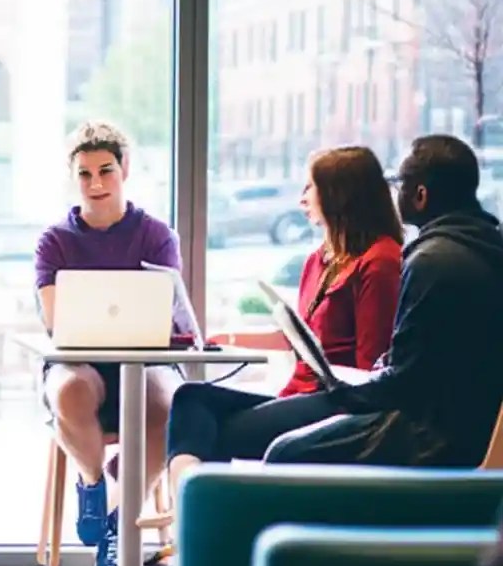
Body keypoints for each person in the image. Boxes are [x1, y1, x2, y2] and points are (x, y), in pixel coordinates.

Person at [165, 146, 403, 493]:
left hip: (339, 400)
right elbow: (301, 335)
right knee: (190, 398)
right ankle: (185, 513)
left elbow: (371, 368)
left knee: (214, 432)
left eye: (310, 187)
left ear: (338, 193)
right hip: (300, 391)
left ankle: (195, 520)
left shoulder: (380, 262)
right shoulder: (320, 259)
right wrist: (228, 337)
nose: (301, 199)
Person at [260, 134, 503, 467]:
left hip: (435, 439)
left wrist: (344, 391)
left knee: (285, 452)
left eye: (398, 182)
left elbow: (403, 386)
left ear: (421, 195)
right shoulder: (485, 246)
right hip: (474, 428)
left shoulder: (431, 261)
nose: (392, 190)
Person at [33, 120, 185, 566]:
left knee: (172, 405)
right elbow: (56, 320)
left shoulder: (157, 235)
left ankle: (120, 524)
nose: (96, 184)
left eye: (105, 171)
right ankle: (92, 482)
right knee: (71, 390)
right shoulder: (55, 240)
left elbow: (166, 313)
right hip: (78, 359)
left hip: (146, 358)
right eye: (85, 174)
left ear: (125, 170)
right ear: (73, 176)